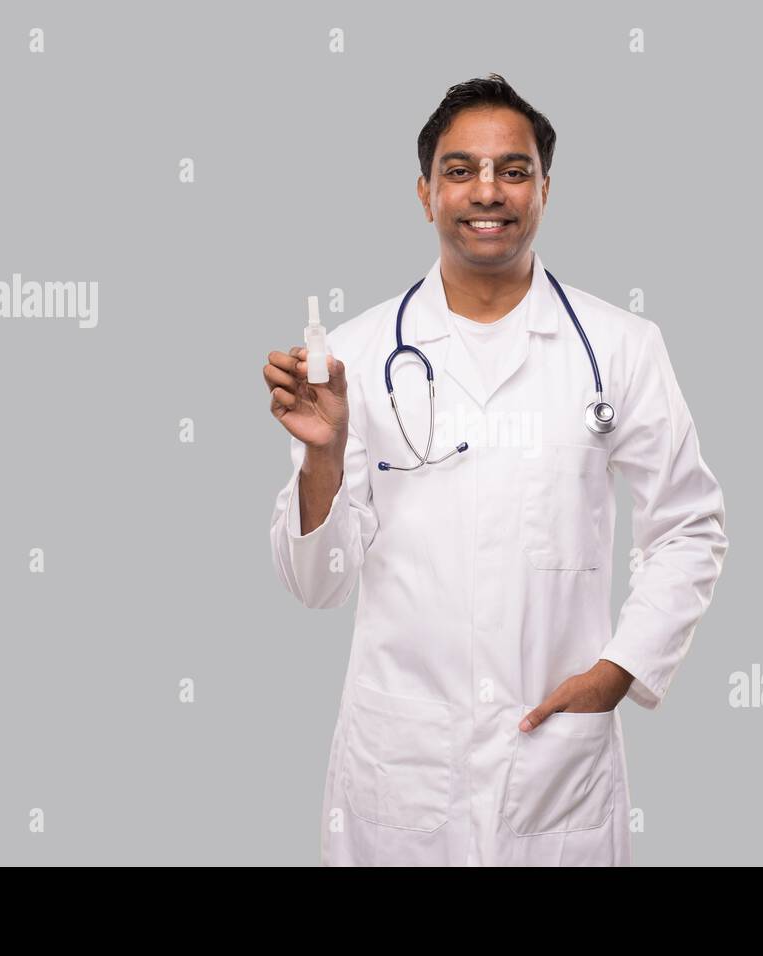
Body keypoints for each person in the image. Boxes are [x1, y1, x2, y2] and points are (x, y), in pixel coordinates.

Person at [263, 74, 728, 866]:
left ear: (545, 188)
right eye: (460, 170)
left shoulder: (620, 347)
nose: (488, 191)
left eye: (513, 170)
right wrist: (324, 454)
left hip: (553, 767)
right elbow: (317, 586)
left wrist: (621, 669)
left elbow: (688, 527)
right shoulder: (357, 353)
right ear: (424, 192)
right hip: (400, 770)